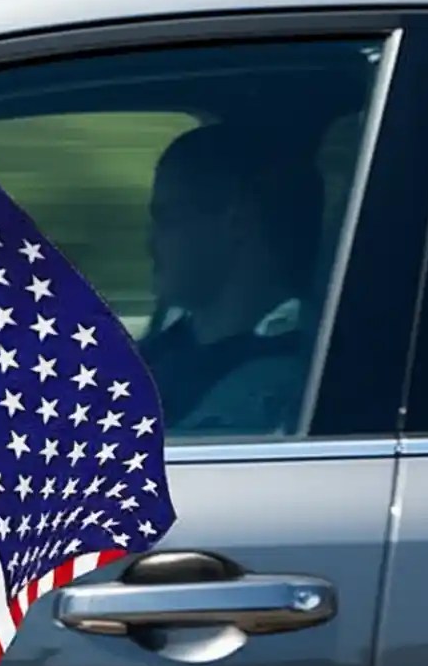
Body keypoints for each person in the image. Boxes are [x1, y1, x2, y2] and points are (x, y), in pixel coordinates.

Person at [138, 123, 325, 435]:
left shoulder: (267, 393)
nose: (150, 242)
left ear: (237, 222)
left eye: (167, 219)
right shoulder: (165, 350)